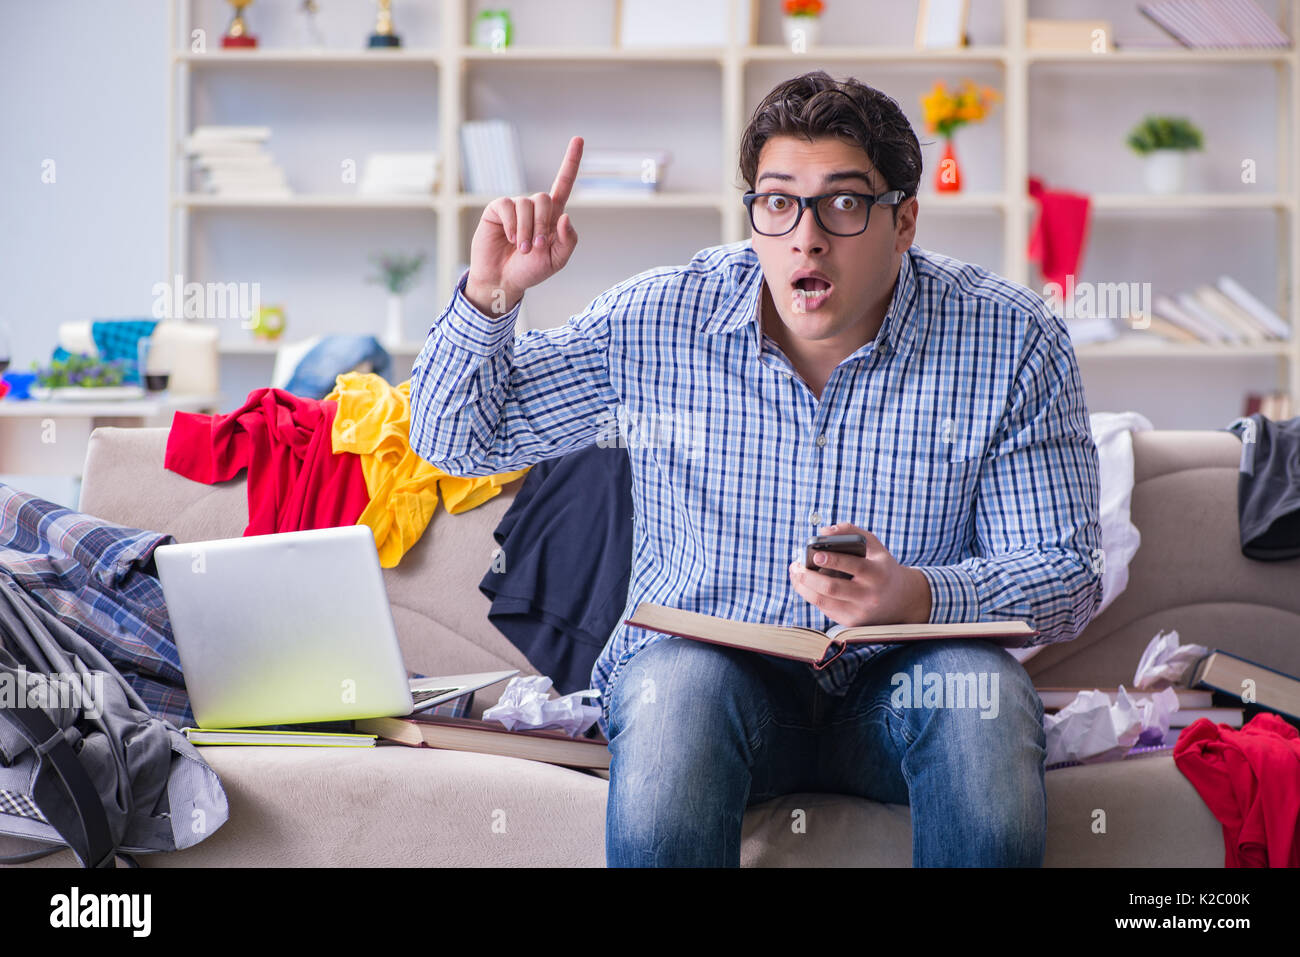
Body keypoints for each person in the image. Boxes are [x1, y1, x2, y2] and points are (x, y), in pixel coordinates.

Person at [409, 71, 1103, 867]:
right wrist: (490, 299)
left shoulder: (1011, 341)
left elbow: (1065, 572)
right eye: (778, 202)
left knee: (977, 696)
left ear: (904, 218)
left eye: (843, 203)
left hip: (902, 693)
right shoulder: (662, 318)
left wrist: (917, 593)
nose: (805, 237)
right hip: (706, 692)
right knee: (677, 694)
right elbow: (459, 442)